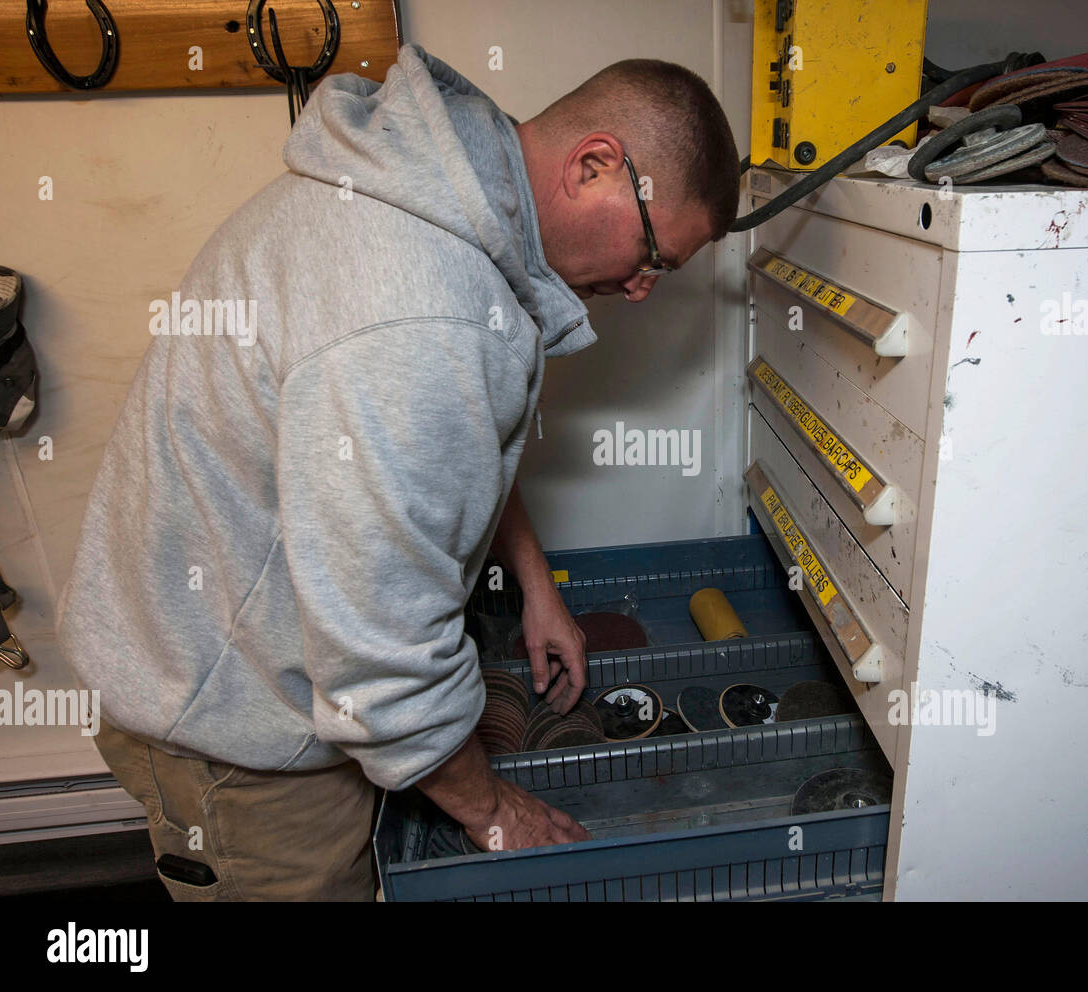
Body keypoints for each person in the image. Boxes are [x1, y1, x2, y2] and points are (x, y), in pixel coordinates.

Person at [55, 44, 739, 901]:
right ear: (594, 165)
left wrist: (536, 585)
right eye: (655, 258)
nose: (642, 289)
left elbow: (456, 450)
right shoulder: (419, 312)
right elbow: (379, 665)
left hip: (257, 666)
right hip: (236, 745)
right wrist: (495, 810)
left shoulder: (447, 201)